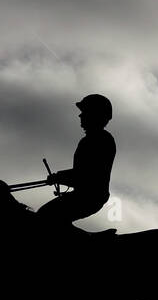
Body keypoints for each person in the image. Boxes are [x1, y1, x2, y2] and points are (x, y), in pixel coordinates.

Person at [37, 94, 116, 230]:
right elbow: (82, 173)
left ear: (95, 115)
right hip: (84, 196)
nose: (80, 116)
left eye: (84, 112)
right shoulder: (91, 140)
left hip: (89, 197)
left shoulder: (100, 140)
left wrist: (60, 177)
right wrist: (60, 177)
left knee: (45, 216)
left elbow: (88, 175)